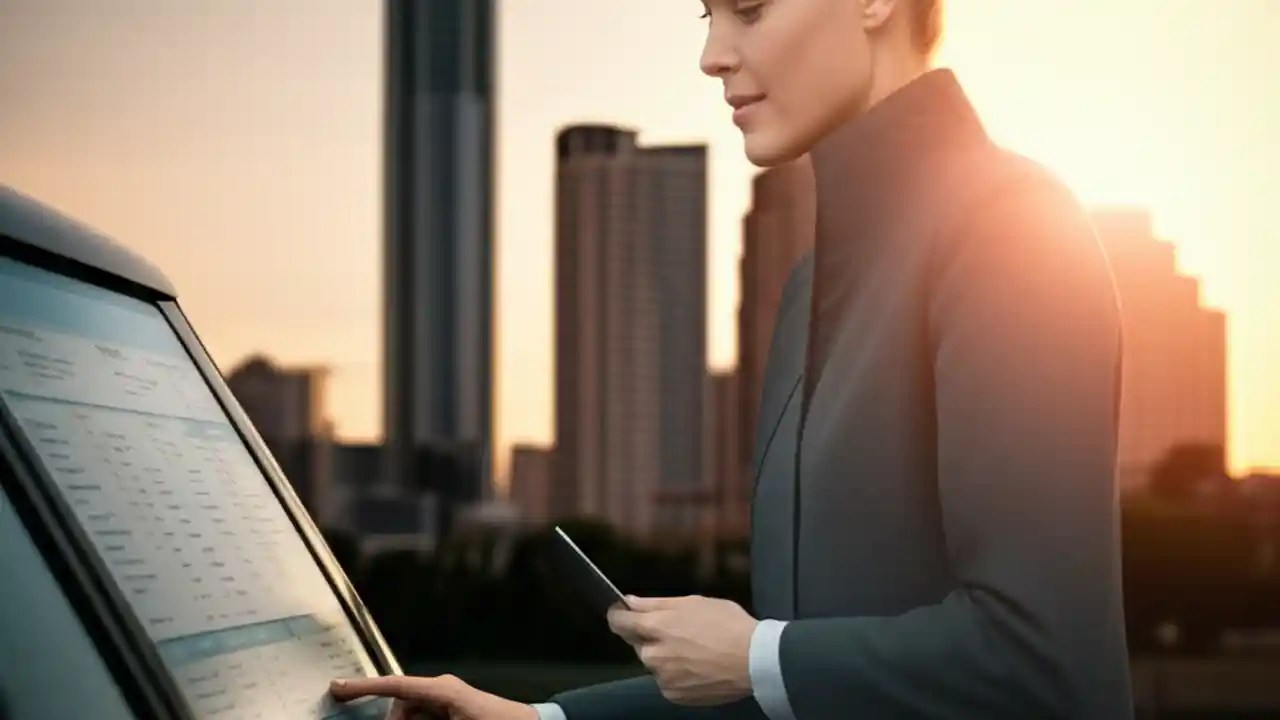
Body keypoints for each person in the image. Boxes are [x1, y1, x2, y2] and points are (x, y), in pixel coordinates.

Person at [331, 0, 1134, 717]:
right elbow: (813, 688)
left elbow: (1042, 663)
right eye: (705, 15)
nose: (712, 54)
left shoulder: (1013, 229)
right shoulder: (808, 287)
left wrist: (754, 654)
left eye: (748, 9)